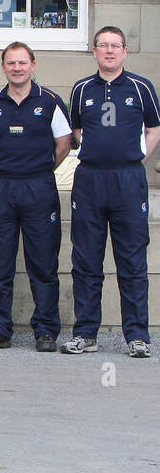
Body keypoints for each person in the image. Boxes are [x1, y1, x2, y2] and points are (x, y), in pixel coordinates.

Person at [64, 26, 160, 358]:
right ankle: (85, 333)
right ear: (94, 51)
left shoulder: (141, 87)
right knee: (86, 258)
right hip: (90, 180)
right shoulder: (80, 89)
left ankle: (137, 336)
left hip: (128, 182)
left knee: (132, 259)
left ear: (124, 51)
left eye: (115, 45)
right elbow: (76, 130)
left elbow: (154, 128)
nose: (109, 51)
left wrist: (135, 159)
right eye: (103, 45)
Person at [0, 42, 72, 352]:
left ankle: (45, 331)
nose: (17, 68)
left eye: (22, 63)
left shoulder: (51, 102)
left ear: (33, 65)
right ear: (3, 68)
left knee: (43, 263)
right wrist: (10, 171)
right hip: (1, 188)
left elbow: (64, 144)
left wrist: (38, 170)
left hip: (39, 188)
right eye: (11, 63)